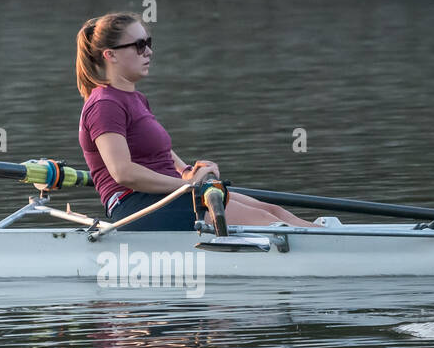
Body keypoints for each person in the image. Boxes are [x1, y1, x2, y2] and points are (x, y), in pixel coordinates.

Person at [75, 12, 317, 231]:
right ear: (110, 55)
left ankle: (332, 238)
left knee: (273, 211)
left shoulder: (135, 98)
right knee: (268, 223)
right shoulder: (104, 105)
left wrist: (186, 171)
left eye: (149, 43)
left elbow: (158, 150)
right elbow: (123, 172)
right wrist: (188, 186)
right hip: (134, 205)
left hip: (166, 195)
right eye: (139, 45)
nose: (149, 52)